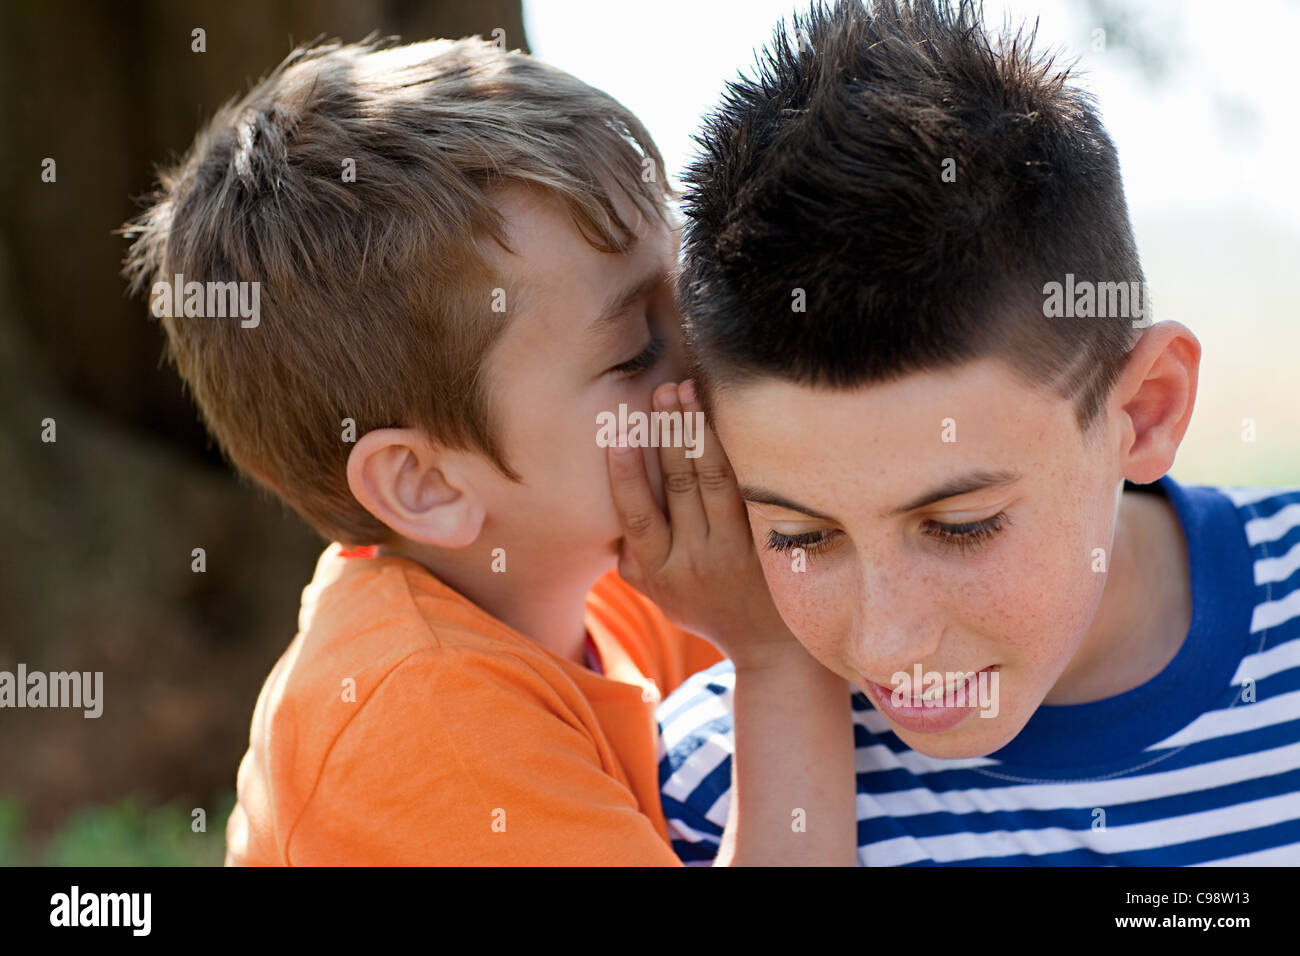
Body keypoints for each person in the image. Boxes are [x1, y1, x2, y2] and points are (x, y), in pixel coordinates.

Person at [121, 35, 855, 865]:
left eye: (683, 296)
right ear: (424, 484)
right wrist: (776, 659)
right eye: (634, 353)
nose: (701, 354)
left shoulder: (618, 591)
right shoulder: (423, 716)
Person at [657, 0, 1300, 865]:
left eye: (963, 526)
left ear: (1146, 409)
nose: (889, 643)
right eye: (800, 534)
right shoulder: (721, 790)